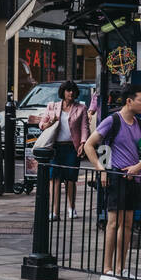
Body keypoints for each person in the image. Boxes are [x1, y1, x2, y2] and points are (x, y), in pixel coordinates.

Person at [84, 84, 141, 280]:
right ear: (129, 101)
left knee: (128, 224)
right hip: (115, 177)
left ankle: (122, 268)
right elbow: (89, 145)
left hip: (134, 178)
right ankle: (107, 269)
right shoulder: (112, 120)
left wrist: (137, 167)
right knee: (113, 223)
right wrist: (101, 168)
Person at [34, 80, 89, 221]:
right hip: (55, 147)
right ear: (63, 92)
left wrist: (83, 143)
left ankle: (71, 208)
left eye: (73, 91)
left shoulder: (81, 108)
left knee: (70, 179)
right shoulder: (53, 106)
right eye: (68, 90)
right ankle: (55, 212)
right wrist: (49, 122)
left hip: (71, 147)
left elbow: (84, 127)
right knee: (54, 179)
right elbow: (41, 125)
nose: (71, 93)